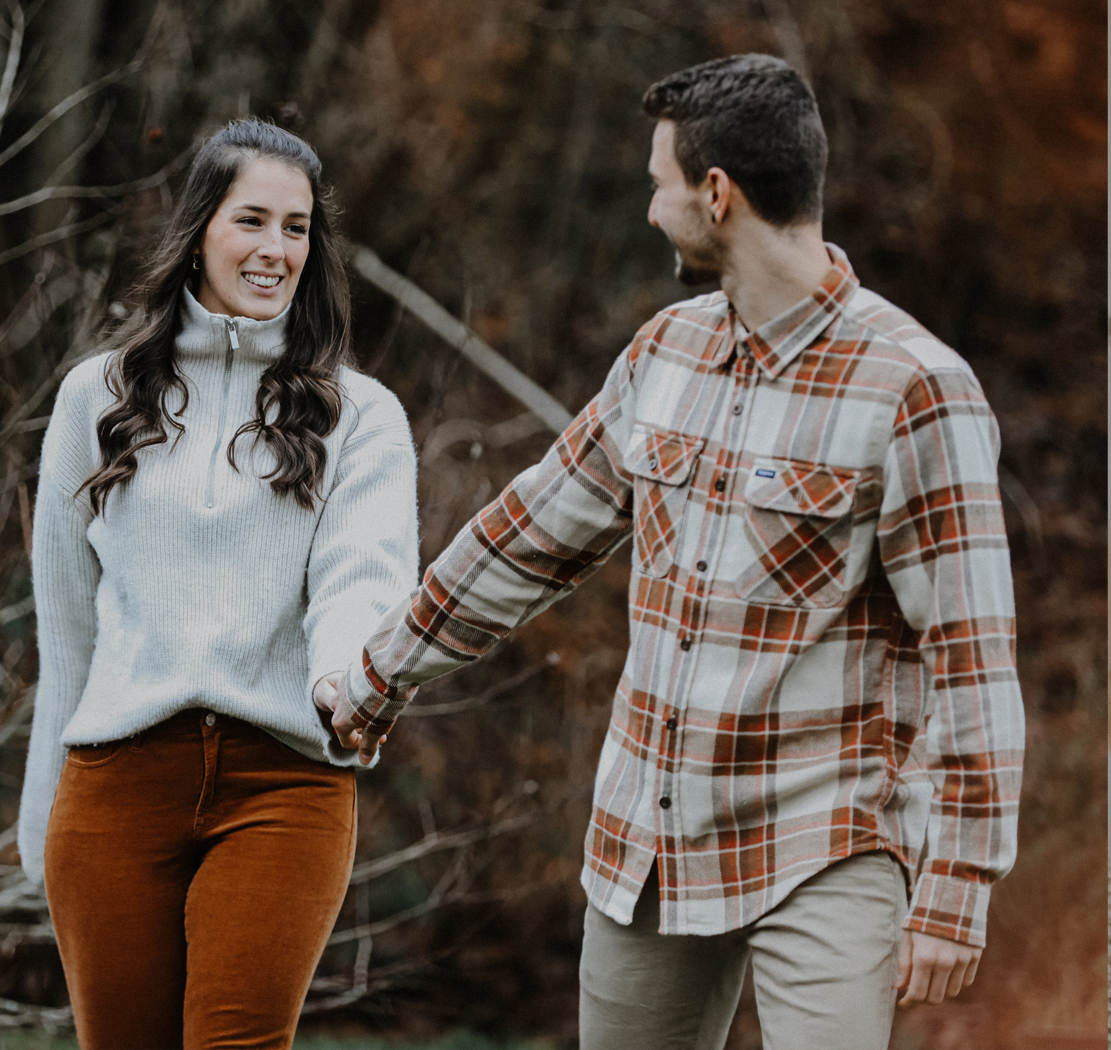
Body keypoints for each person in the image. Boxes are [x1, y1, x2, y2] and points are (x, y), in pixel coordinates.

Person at [318, 54, 1024, 1050]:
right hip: (647, 830)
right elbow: (531, 536)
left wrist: (958, 877)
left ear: (718, 195)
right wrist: (381, 672)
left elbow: (970, 654)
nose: (653, 210)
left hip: (826, 838)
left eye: (662, 185)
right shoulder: (665, 354)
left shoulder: (913, 389)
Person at [17, 119, 418, 1049]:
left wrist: (340, 680)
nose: (275, 249)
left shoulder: (360, 417)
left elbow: (361, 578)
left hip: (283, 782)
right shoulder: (96, 397)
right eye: (252, 220)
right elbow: (67, 628)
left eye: (297, 227)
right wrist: (42, 811)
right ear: (200, 228)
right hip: (115, 786)